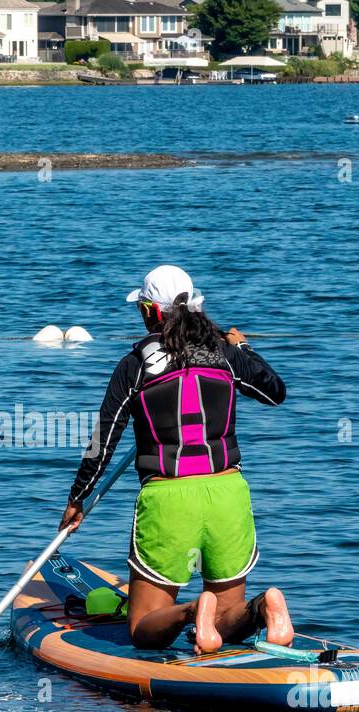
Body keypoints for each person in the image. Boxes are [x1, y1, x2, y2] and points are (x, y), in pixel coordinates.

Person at [59, 265, 293, 654]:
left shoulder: (135, 366)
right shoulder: (226, 353)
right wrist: (245, 348)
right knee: (228, 617)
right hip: (227, 494)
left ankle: (190, 613)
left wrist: (77, 498)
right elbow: (275, 392)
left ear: (151, 312)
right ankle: (264, 609)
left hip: (168, 499)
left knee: (142, 629)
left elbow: (103, 440)